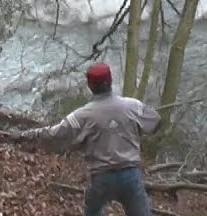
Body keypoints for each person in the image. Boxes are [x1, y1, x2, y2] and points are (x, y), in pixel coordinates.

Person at [14, 63, 161, 216]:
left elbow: (54, 135)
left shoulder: (82, 115)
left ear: (90, 85)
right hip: (131, 175)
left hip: (102, 178)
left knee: (92, 212)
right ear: (110, 81)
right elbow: (155, 122)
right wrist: (133, 130)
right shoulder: (133, 106)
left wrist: (27, 134)